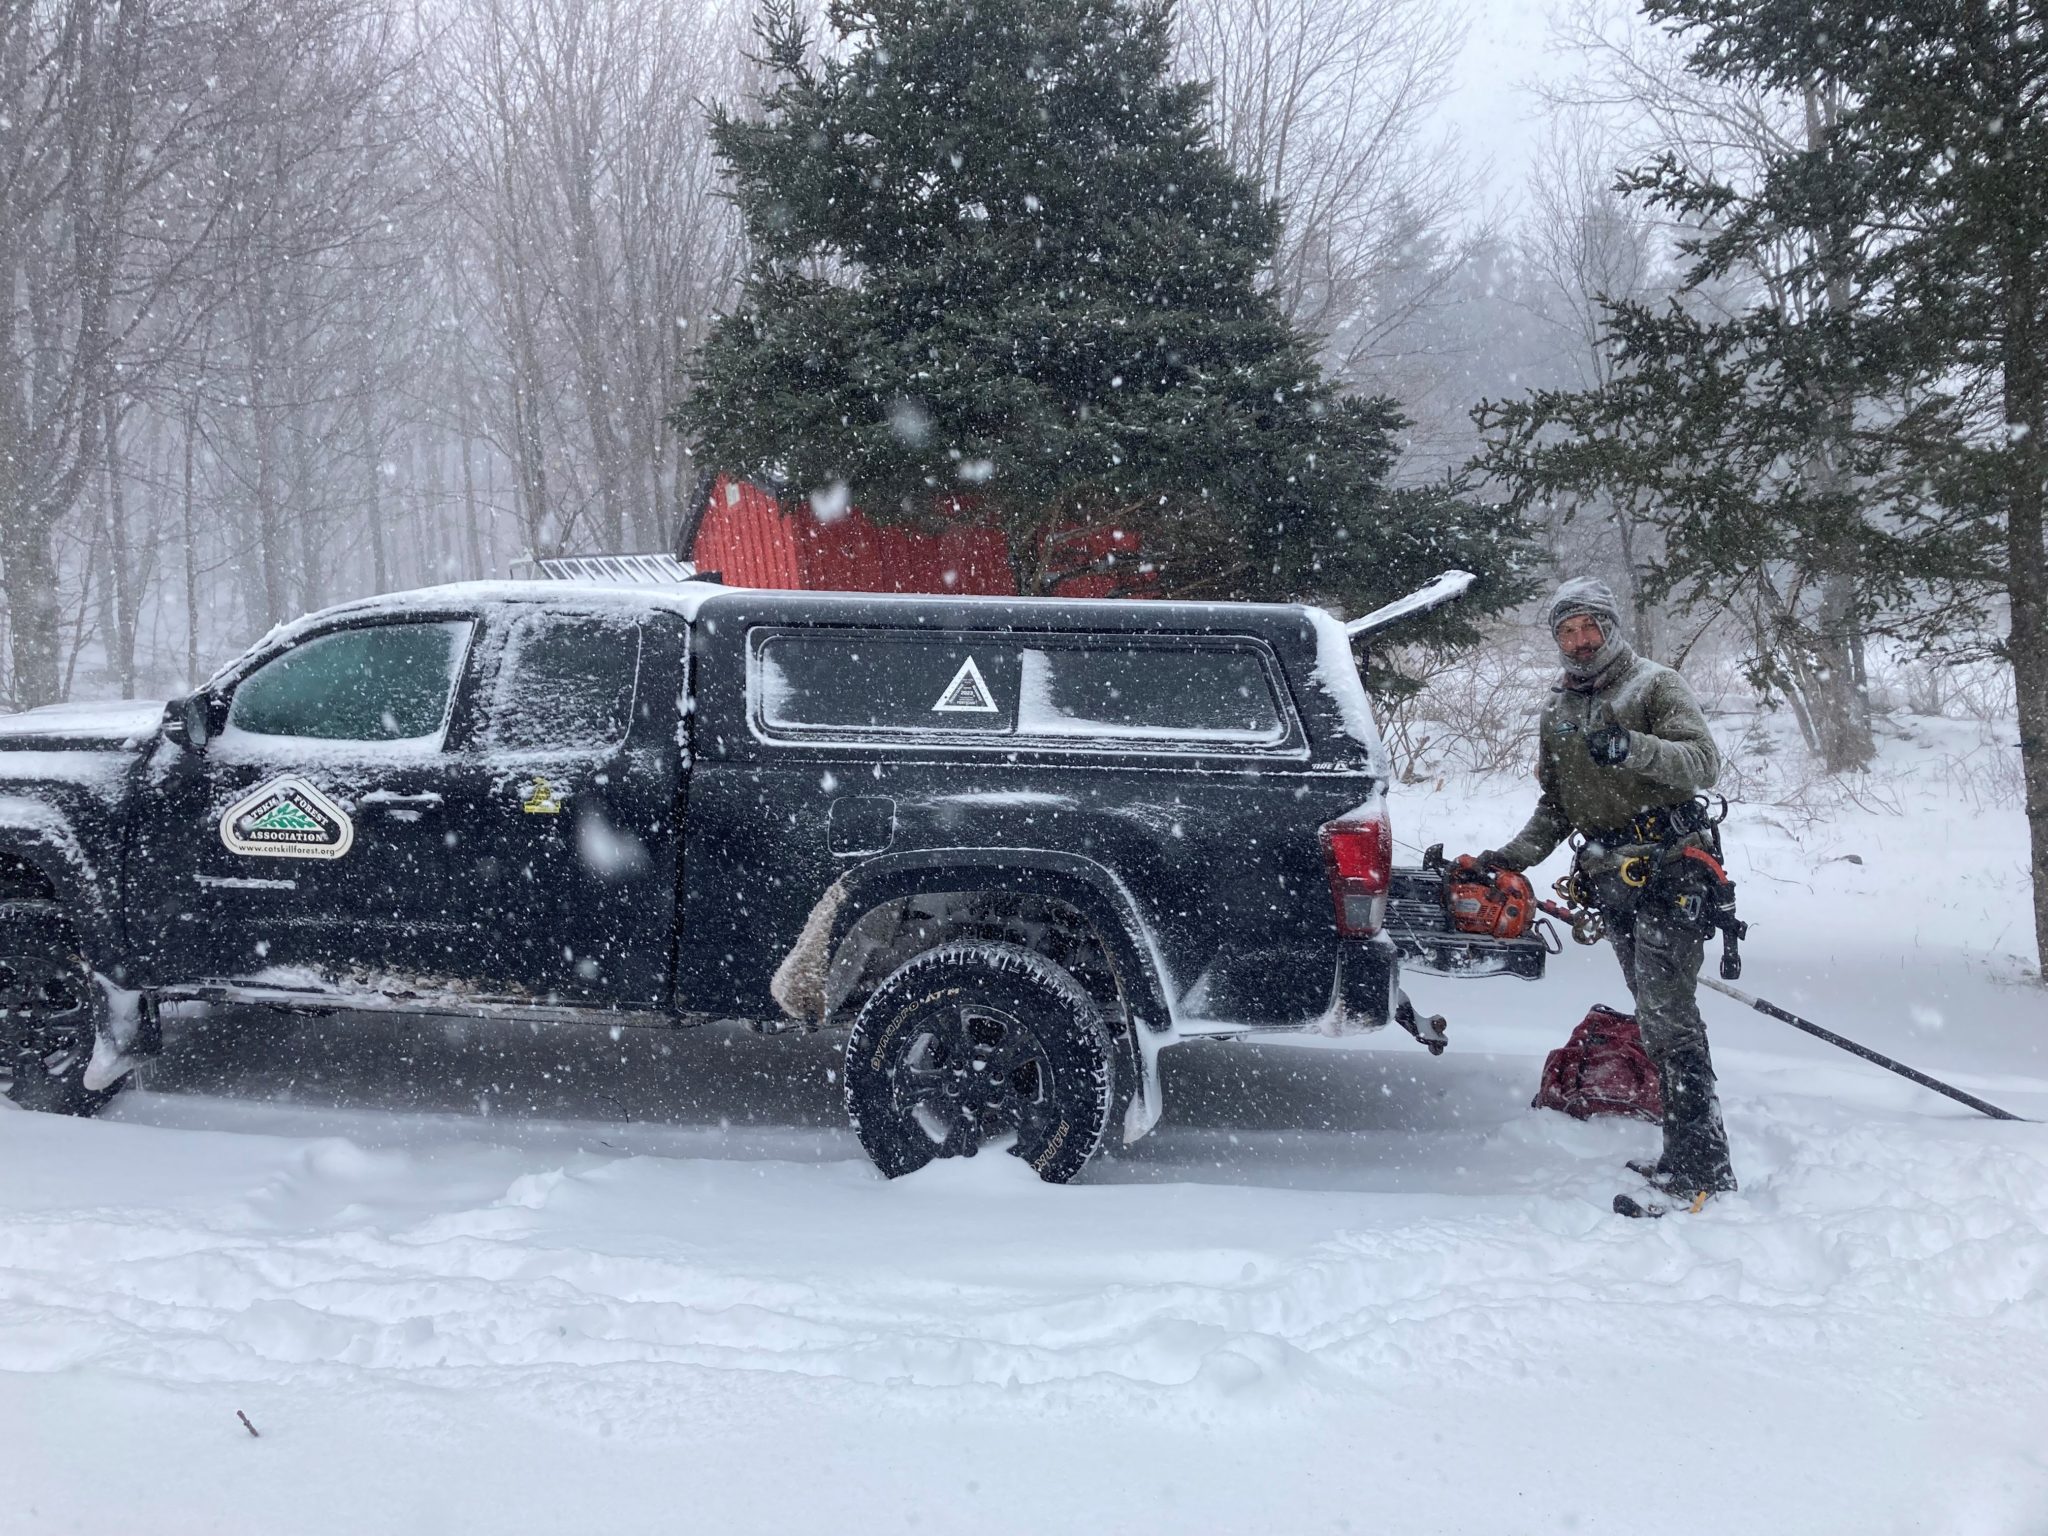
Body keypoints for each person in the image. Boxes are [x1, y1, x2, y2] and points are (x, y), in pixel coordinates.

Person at [1476, 576, 1737, 1204]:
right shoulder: (1557, 713)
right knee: (1653, 1015)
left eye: (1589, 626)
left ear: (1611, 627)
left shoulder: (1655, 685)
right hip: (1611, 884)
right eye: (1566, 631)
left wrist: (1632, 747)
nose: (1580, 640)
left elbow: (1702, 762)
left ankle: (1703, 1165)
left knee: (1670, 1019)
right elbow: (1556, 807)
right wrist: (1505, 859)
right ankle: (1685, 1154)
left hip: (1674, 872)